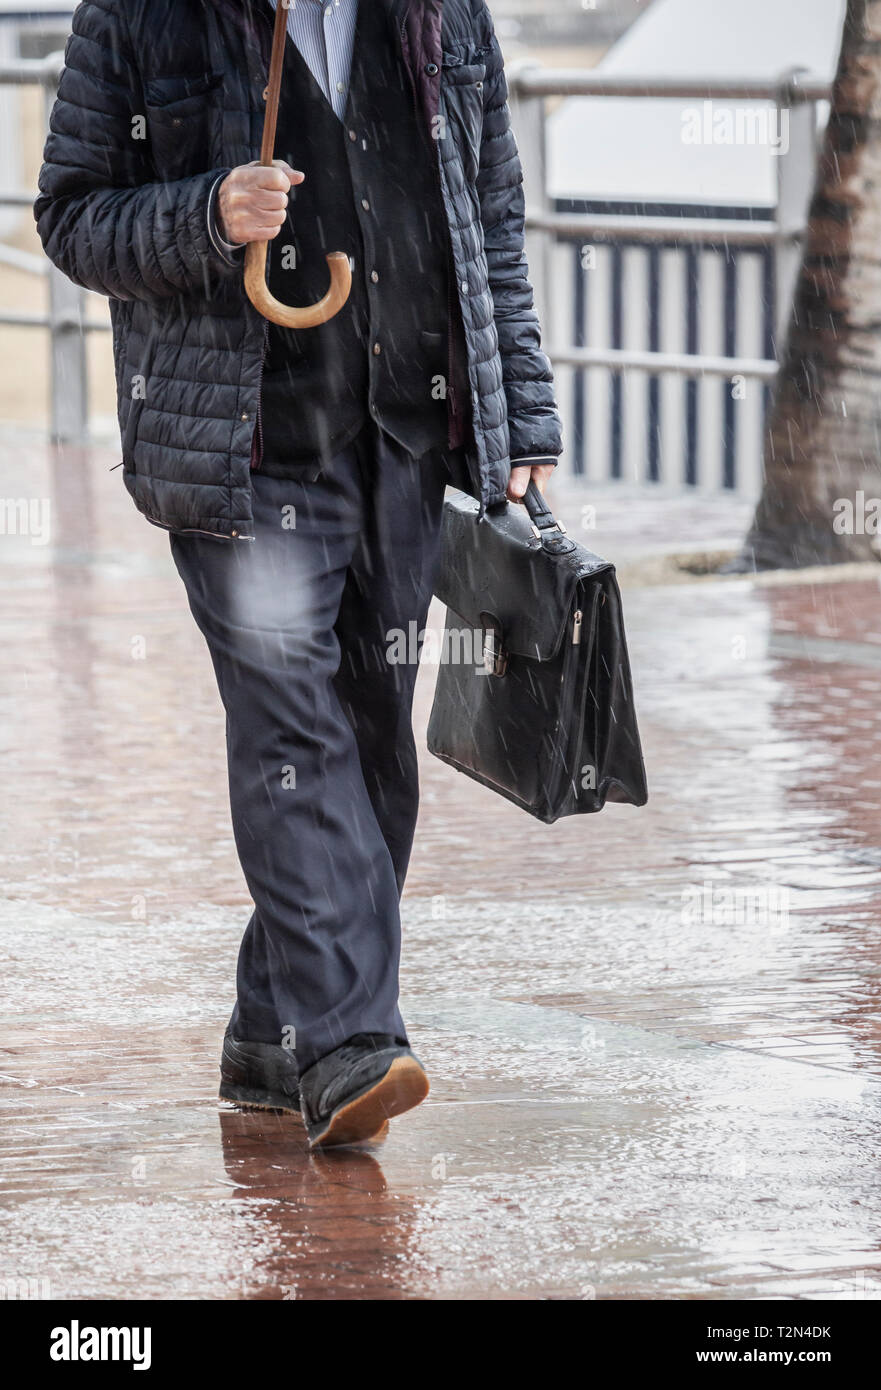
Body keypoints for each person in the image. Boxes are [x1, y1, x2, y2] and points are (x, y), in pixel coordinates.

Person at [35, 0, 562, 1148]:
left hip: (405, 441)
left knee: (372, 743)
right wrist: (209, 213)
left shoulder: (438, 15)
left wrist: (519, 411)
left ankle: (269, 1034)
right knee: (291, 734)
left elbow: (489, 221)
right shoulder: (138, 16)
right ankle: (347, 1043)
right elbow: (71, 219)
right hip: (242, 449)